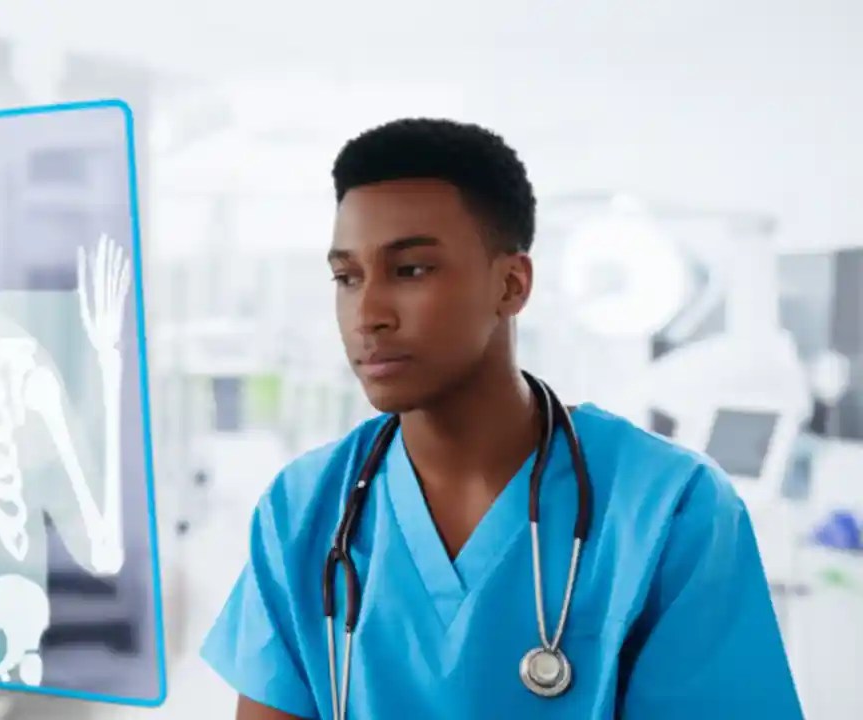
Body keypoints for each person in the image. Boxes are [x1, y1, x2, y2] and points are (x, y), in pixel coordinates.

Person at [198, 118, 804, 718]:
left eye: (411, 270)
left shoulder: (670, 510)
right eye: (347, 277)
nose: (368, 313)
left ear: (512, 284)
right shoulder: (304, 511)